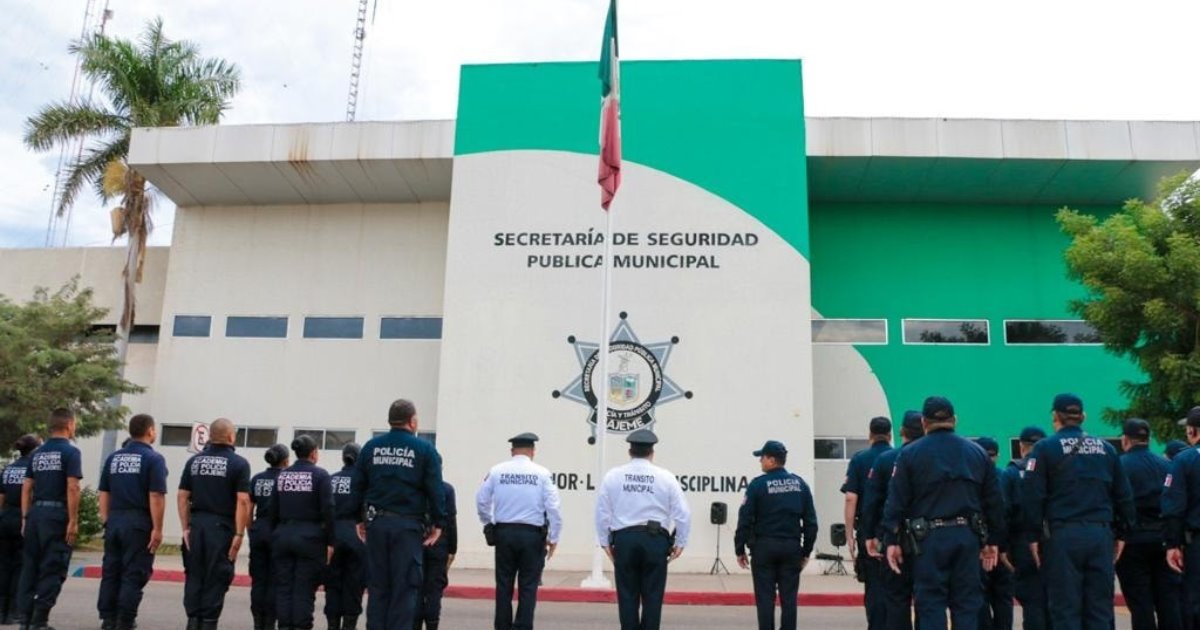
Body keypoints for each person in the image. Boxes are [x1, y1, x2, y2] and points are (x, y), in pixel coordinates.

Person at [881, 396, 1004, 630]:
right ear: (954, 420)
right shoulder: (977, 453)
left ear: (924, 422)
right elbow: (994, 502)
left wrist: (891, 540)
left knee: (930, 605)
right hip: (967, 537)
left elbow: (895, 502)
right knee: (967, 605)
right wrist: (993, 541)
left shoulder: (909, 455)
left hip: (928, 541)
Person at [1022, 393, 1135, 630]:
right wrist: (1123, 533)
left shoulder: (1044, 449)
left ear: (1055, 417)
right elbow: (1124, 496)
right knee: (1100, 609)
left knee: (1065, 608)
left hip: (1063, 536)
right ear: (1083, 416)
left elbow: (1033, 497)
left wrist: (1033, 536)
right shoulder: (1106, 449)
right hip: (1100, 534)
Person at [350, 399, 446, 630]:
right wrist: (439, 522)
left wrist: (358, 519)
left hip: (377, 525)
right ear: (412, 421)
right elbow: (435, 489)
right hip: (407, 528)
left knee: (378, 588)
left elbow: (357, 485)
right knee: (404, 590)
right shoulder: (425, 450)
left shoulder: (371, 447)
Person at [595, 429, 691, 630]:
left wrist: (605, 542)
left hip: (625, 540)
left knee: (627, 595)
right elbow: (683, 513)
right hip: (655, 541)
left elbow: (602, 512)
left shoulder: (613, 476)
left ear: (630, 451)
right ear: (652, 452)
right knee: (653, 596)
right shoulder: (665, 477)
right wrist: (680, 542)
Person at [475, 432, 563, 630]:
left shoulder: (497, 471)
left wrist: (488, 523)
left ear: (512, 451)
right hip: (532, 536)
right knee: (529, 586)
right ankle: (523, 626)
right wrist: (554, 537)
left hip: (504, 533)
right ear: (533, 451)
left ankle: (502, 626)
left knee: (504, 585)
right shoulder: (542, 473)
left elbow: (481, 500)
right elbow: (554, 508)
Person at [734, 439, 818, 630]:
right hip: (791, 548)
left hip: (764, 548)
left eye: (762, 457)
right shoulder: (800, 484)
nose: (760, 461)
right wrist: (806, 552)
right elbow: (811, 523)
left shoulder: (758, 485)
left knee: (765, 599)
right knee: (789, 600)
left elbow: (745, 519)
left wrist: (739, 549)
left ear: (771, 460)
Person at [178, 418, 252, 630]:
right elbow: (242, 500)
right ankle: (208, 623)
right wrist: (239, 534)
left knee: (194, 575)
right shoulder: (239, 464)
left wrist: (185, 528)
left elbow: (182, 496)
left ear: (210, 436)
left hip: (196, 525)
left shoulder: (194, 462)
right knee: (216, 577)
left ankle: (193, 622)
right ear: (231, 437)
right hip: (221, 528)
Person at [96, 414, 168, 630]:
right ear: (150, 431)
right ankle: (125, 620)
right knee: (133, 572)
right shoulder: (154, 459)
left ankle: (108, 618)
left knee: (111, 570)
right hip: (138, 522)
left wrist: (106, 519)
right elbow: (156, 495)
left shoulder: (114, 458)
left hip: (115, 519)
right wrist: (157, 528)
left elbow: (104, 492)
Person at [17, 408, 83, 630]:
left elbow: (27, 487)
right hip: (57, 516)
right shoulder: (71, 453)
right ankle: (40, 619)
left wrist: (26, 517)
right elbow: (73, 487)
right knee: (53, 567)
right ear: (69, 425)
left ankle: (25, 619)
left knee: (30, 567)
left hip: (35, 515)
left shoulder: (37, 453)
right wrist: (73, 521)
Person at [861, 411, 923, 630]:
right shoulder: (930, 459)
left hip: (893, 538)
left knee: (897, 600)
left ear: (901, 431)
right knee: (927, 601)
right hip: (927, 540)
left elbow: (872, 502)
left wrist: (869, 535)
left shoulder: (886, 460)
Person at [1116, 418, 1181, 630]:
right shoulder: (1167, 465)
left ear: (1125, 440)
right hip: (1163, 540)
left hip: (1132, 542)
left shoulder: (1119, 466)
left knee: (1140, 603)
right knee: (1168, 600)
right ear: (1149, 439)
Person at [269, 435, 334, 630]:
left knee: (284, 589)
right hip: (310, 539)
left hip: (283, 535)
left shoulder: (282, 475)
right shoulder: (321, 475)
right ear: (314, 453)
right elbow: (328, 509)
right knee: (304, 590)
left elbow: (272, 510)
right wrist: (331, 541)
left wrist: (276, 533)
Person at [842, 416, 893, 629]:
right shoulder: (900, 456)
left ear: (870, 435)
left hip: (869, 529)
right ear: (890, 435)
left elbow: (850, 498)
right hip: (897, 529)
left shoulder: (860, 459)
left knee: (874, 585)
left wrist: (848, 535)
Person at [1000, 426, 1051, 630]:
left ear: (1022, 447)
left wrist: (1002, 546)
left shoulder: (1012, 472)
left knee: (1032, 601)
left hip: (1022, 543)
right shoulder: (1054, 469)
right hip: (1054, 540)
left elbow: (1004, 511)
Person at [1163, 406, 1200, 626]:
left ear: (1193, 431)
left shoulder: (1184, 460)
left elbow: (1173, 505)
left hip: (1196, 541)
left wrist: (1172, 543)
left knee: (1194, 601)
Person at [973, 436, 1013, 630]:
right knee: (1003, 597)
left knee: (979, 597)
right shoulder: (1005, 476)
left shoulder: (971, 478)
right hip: (1002, 548)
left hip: (978, 547)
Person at [0, 435, 40, 625]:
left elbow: (1, 497)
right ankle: (14, 611)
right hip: (23, 520)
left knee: (4, 566)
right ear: (34, 450)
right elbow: (31, 494)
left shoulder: (8, 468)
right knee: (21, 567)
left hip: (5, 518)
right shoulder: (32, 469)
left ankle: (1, 611)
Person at [326, 443, 365, 630]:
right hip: (356, 535)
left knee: (332, 584)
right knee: (354, 585)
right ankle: (349, 625)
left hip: (332, 536)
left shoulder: (330, 479)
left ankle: (332, 625)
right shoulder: (364, 481)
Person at [250, 444, 290, 630]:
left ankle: (258, 622)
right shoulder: (286, 479)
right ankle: (269, 623)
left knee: (259, 580)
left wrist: (251, 529)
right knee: (275, 579)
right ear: (285, 460)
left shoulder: (257, 479)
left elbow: (248, 508)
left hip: (259, 529)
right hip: (278, 531)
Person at [416, 480, 456, 630]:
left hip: (417, 541)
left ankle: (416, 623)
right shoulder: (447, 489)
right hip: (440, 543)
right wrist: (452, 548)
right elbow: (451, 520)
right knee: (434, 590)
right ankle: (432, 624)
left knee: (416, 588)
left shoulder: (415, 487)